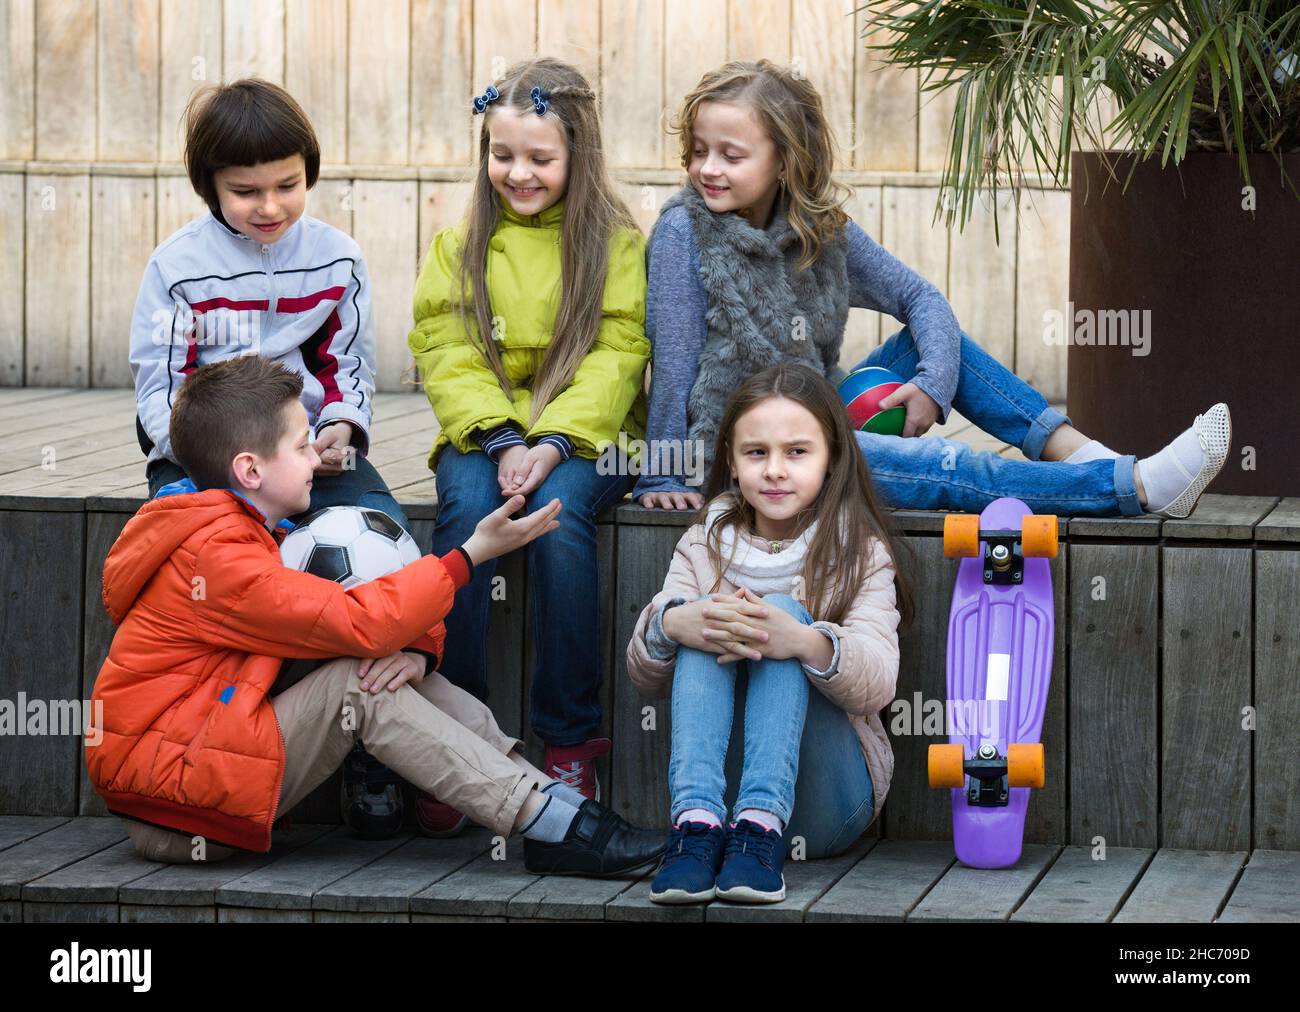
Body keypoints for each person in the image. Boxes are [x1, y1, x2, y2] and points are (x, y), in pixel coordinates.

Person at [87, 355, 665, 878]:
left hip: (209, 762)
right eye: (299, 445)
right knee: (357, 686)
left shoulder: (270, 535)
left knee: (389, 668)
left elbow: (378, 610)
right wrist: (469, 556)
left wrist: (416, 651)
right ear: (250, 470)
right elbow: (364, 620)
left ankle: (559, 817)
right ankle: (551, 822)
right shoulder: (217, 559)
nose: (318, 454)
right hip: (177, 810)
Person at [633, 59, 1232, 521]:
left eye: (730, 155)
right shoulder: (684, 232)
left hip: (820, 416)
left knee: (940, 343)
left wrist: (932, 384)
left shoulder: (820, 229)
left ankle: (1085, 456)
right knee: (941, 468)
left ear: (787, 161)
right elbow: (676, 358)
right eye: (699, 152)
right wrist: (665, 473)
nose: (708, 168)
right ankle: (1134, 488)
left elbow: (924, 300)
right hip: (749, 457)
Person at [126, 78, 414, 836]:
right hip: (199, 459)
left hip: (307, 452)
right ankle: (195, 734)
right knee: (189, 570)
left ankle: (374, 760)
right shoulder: (177, 267)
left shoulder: (339, 260)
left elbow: (346, 367)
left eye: (288, 184)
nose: (270, 206)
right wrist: (215, 470)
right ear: (209, 186)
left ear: (308, 171)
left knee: (383, 531)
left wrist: (343, 430)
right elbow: (158, 387)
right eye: (245, 190)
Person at [408, 57, 650, 834]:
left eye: (540, 158)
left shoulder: (614, 245)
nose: (518, 172)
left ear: (578, 153)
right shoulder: (459, 245)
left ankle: (567, 737)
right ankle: (455, 736)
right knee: (468, 512)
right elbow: (444, 348)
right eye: (501, 154)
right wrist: (502, 434)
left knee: (556, 515)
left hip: (588, 433)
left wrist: (549, 442)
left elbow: (619, 354)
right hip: (484, 431)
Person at [627, 364, 912, 903]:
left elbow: (877, 684)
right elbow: (644, 674)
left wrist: (803, 640)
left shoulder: (861, 550)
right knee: (701, 617)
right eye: (756, 453)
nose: (775, 470)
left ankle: (763, 824)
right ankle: (695, 827)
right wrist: (669, 625)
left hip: (828, 800)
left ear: (831, 459)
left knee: (777, 614)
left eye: (798, 452)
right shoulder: (705, 540)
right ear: (732, 464)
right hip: (722, 797)